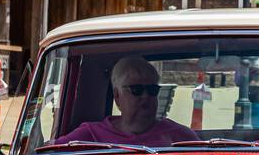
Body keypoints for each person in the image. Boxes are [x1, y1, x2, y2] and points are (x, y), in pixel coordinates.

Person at [54, 56, 198, 147]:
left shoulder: (179, 136)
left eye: (152, 90)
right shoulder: (91, 134)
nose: (146, 97)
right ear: (117, 96)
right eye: (136, 90)